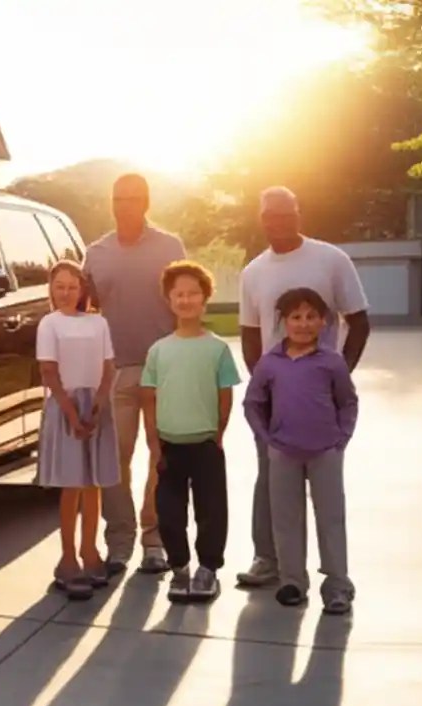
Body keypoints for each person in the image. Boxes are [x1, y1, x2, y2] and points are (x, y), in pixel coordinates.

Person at [235, 187, 371, 588]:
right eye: (269, 215)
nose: (277, 221)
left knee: (327, 496)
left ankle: (335, 576)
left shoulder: (330, 259)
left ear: (298, 213)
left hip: (320, 402)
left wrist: (336, 375)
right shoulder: (253, 272)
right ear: (261, 219)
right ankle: (269, 559)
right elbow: (248, 334)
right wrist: (267, 385)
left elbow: (359, 321)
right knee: (271, 483)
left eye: (285, 213)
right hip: (277, 400)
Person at [82, 173, 186, 577]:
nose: (122, 205)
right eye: (116, 198)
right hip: (116, 372)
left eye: (130, 198)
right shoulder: (97, 252)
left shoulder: (170, 247)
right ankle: (120, 542)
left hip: (163, 370)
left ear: (145, 202)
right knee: (115, 460)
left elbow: (185, 301)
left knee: (162, 459)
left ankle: (154, 540)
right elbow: (85, 311)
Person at [243, 287, 358, 614]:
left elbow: (347, 402)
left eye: (311, 317)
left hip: (325, 451)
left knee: (331, 517)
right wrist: (266, 438)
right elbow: (253, 403)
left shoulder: (332, 362)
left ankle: (337, 585)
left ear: (323, 322)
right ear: (284, 321)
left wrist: (341, 439)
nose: (304, 323)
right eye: (296, 317)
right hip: (283, 451)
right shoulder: (270, 363)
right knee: (285, 518)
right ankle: (292, 581)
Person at [140, 260, 241, 602]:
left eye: (193, 294)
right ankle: (179, 568)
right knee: (169, 512)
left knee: (211, 511)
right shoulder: (159, 350)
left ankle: (208, 570)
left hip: (205, 446)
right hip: (170, 446)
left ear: (205, 298)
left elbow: (225, 395)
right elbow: (149, 398)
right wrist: (154, 443)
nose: (185, 300)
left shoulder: (217, 349)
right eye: (178, 294)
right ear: (169, 300)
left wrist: (218, 434)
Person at [36, 259, 121, 601]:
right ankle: (68, 557)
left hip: (95, 405)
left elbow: (109, 367)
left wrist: (99, 404)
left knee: (92, 483)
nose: (66, 293)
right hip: (66, 404)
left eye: (72, 286)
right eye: (60, 287)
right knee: (72, 483)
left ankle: (90, 550)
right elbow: (49, 373)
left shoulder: (98, 323)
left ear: (82, 289)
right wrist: (72, 414)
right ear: (52, 291)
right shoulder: (49, 324)